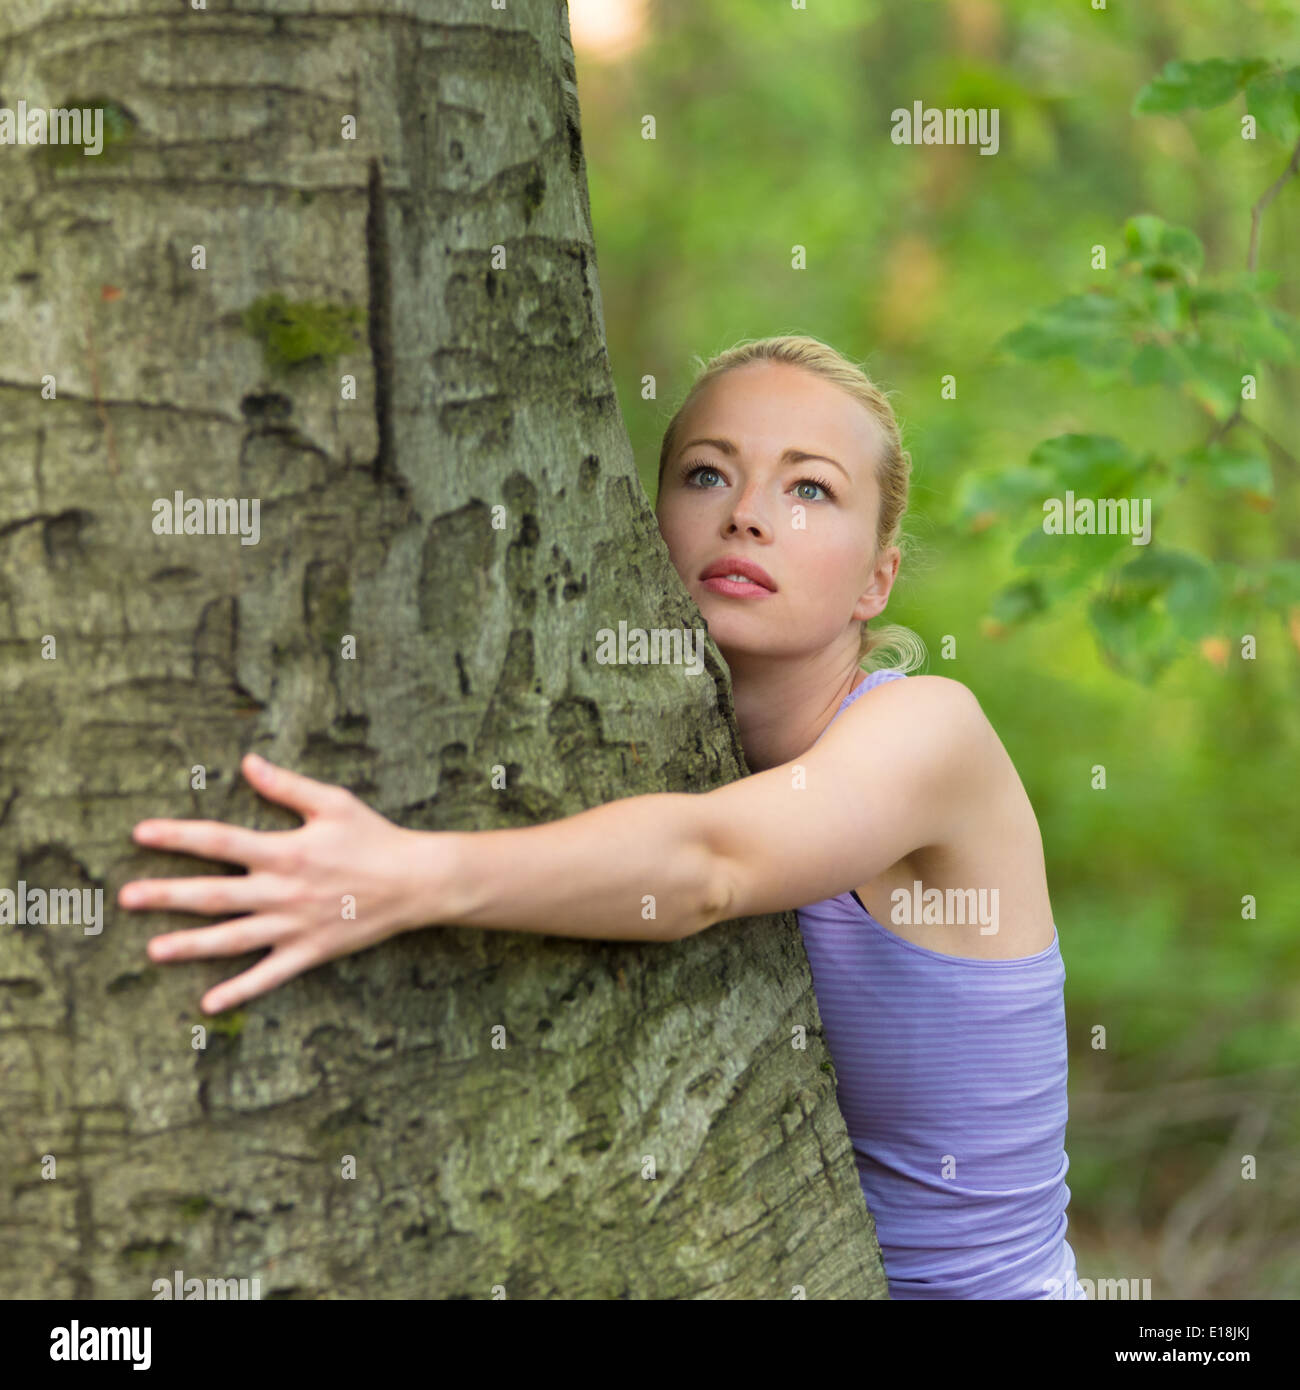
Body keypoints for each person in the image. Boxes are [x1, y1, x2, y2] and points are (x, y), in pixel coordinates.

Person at [120, 334, 1086, 1300]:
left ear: (878, 578)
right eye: (707, 474)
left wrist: (405, 877)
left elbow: (712, 866)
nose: (747, 516)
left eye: (809, 490)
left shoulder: (930, 732)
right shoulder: (635, 743)